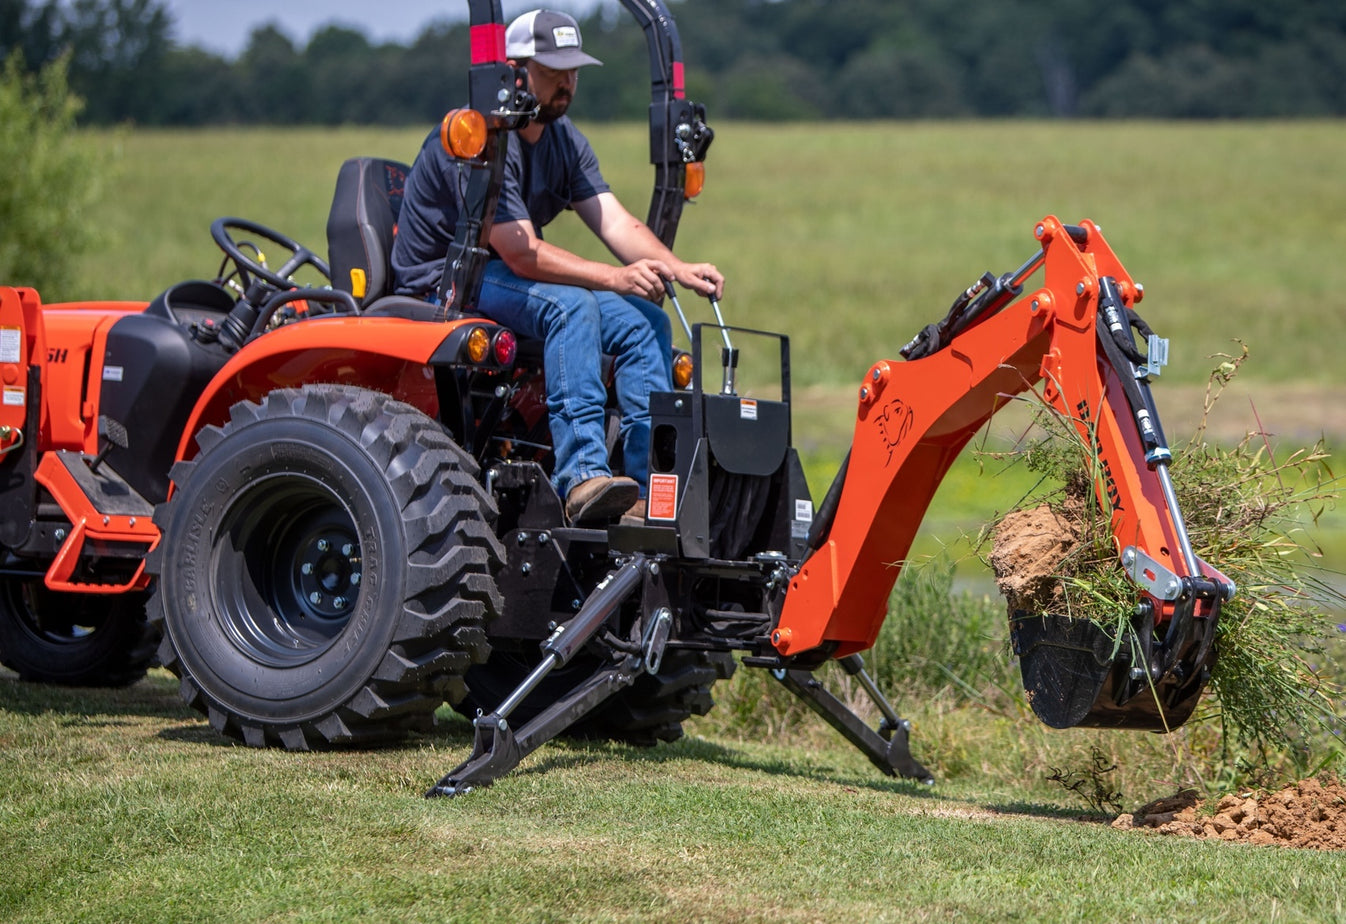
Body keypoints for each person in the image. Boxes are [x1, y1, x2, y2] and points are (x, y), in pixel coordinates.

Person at [392, 9, 723, 524]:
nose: (567, 82)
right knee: (572, 307)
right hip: (451, 279)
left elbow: (613, 221)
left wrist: (676, 268)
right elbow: (520, 250)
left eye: (573, 71)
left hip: (500, 272)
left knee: (645, 323)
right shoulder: (483, 137)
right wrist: (614, 277)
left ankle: (647, 487)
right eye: (553, 71)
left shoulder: (564, 138)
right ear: (513, 71)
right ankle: (583, 476)